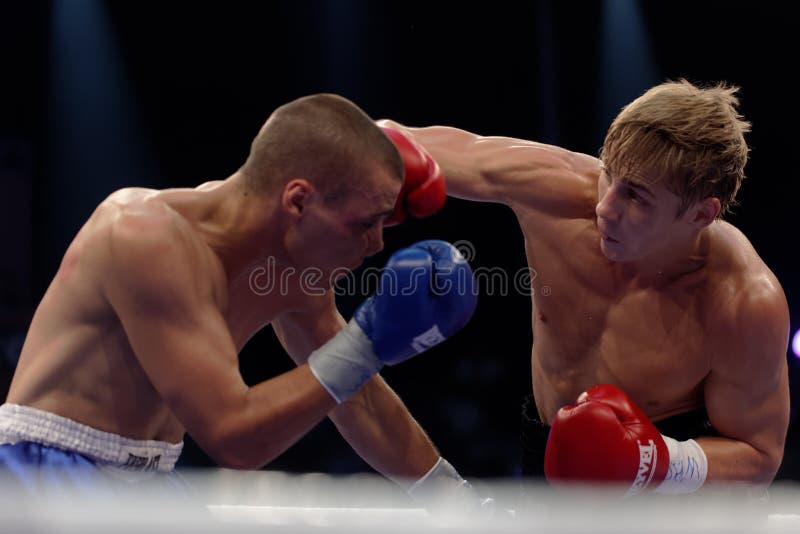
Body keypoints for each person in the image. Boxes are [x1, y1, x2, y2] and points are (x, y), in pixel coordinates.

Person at [0, 93, 478, 501]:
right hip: (44, 472)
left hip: (151, 476)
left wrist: (457, 502)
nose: (377, 244)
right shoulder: (144, 237)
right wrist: (367, 343)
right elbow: (233, 437)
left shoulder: (294, 267)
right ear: (297, 200)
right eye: (364, 223)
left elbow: (356, 396)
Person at [379, 79, 791, 495]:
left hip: (661, 497)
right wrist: (351, 165)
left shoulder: (741, 301)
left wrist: (658, 462)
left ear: (702, 213)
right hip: (539, 459)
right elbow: (396, 141)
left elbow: (759, 455)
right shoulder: (555, 191)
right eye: (608, 174)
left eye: (637, 197)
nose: (604, 207)